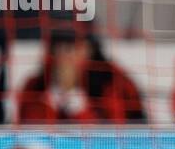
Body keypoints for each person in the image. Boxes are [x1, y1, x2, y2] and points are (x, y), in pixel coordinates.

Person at [17, 24, 147, 124]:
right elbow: (29, 135)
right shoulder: (35, 85)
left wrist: (78, 106)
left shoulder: (115, 82)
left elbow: (115, 137)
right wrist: (54, 98)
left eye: (74, 47)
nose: (66, 55)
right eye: (59, 48)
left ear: (90, 49)